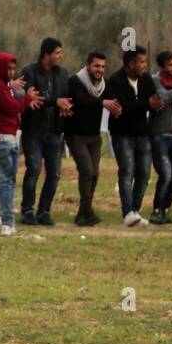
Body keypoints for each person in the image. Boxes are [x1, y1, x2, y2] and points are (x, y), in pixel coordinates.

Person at [0, 51, 37, 236]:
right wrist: (27, 99)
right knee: (6, 183)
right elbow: (12, 108)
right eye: (8, 68)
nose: (11, 72)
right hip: (3, 140)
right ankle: (7, 224)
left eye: (13, 69)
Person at [104, 47, 163, 227]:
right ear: (131, 64)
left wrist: (155, 104)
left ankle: (135, 211)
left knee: (144, 173)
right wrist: (147, 104)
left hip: (142, 133)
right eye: (142, 62)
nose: (145, 65)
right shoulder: (115, 80)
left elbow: (152, 100)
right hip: (122, 134)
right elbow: (121, 108)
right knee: (127, 170)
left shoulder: (146, 79)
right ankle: (127, 211)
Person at [18, 37, 72, 225]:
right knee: (33, 169)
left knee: (54, 172)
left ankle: (44, 210)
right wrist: (55, 101)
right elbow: (34, 99)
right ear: (46, 54)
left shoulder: (62, 74)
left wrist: (64, 106)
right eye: (57, 52)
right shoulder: (29, 72)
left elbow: (64, 96)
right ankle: (27, 210)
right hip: (33, 129)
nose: (60, 56)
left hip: (54, 130)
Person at [64, 51, 110, 226]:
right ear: (88, 65)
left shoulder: (103, 85)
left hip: (94, 136)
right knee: (87, 171)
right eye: (97, 66)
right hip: (76, 135)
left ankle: (85, 212)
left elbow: (111, 99)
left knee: (95, 174)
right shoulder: (76, 81)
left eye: (103, 66)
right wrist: (103, 103)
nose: (100, 69)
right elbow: (81, 100)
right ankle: (85, 212)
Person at [149, 50, 172, 224]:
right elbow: (164, 97)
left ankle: (164, 209)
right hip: (159, 135)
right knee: (166, 174)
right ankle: (155, 210)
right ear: (162, 67)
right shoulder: (156, 80)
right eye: (170, 65)